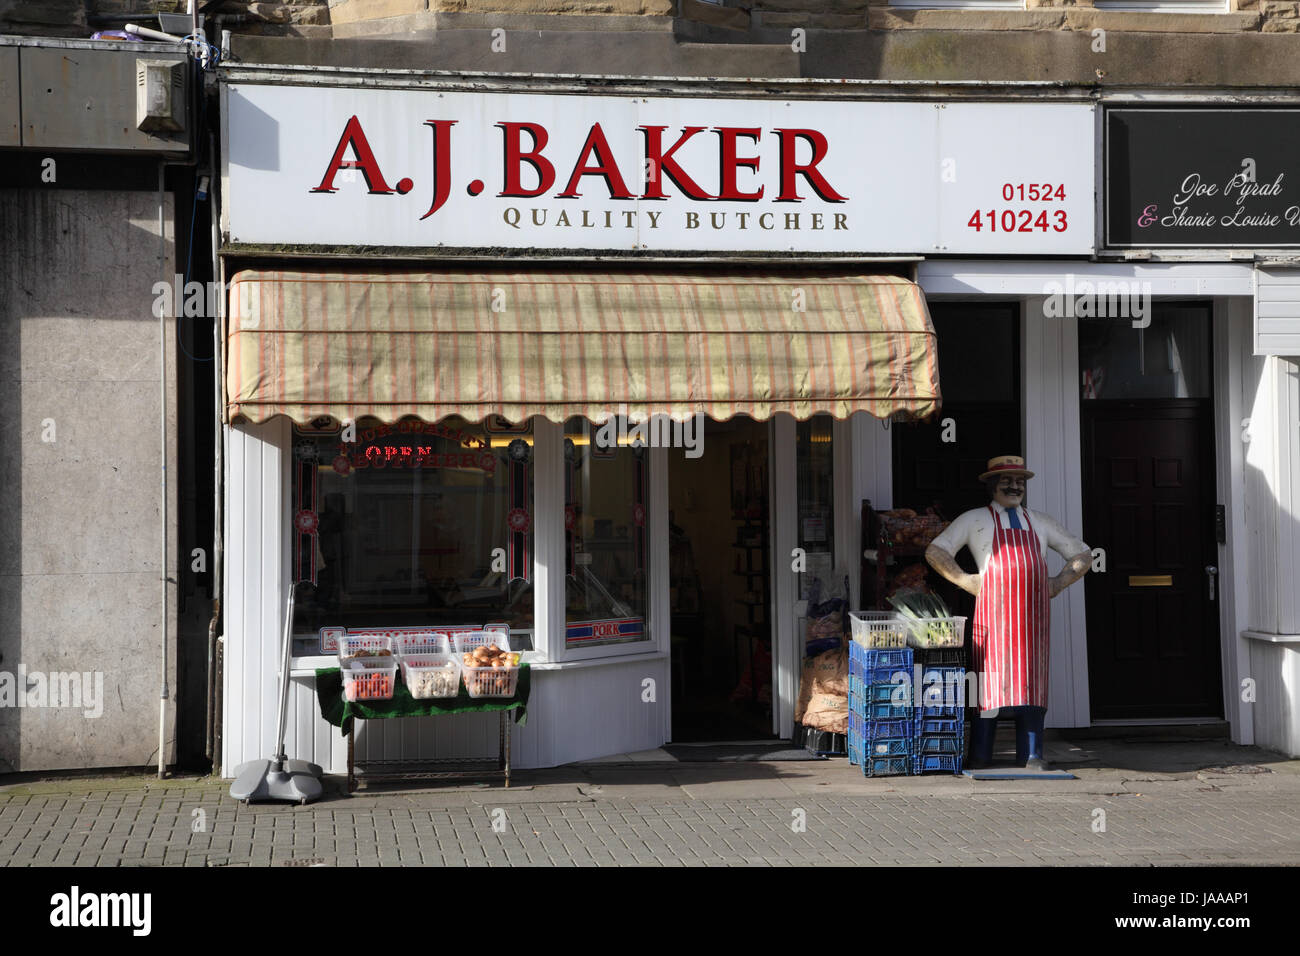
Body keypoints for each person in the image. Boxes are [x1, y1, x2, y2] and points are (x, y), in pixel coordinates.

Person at [924, 455, 1091, 770]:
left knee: (1032, 682)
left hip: (1033, 620)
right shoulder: (974, 519)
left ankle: (1032, 754)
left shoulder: (1041, 522)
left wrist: (1059, 582)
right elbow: (936, 550)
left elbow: (1082, 554)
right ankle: (981, 754)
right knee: (988, 683)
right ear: (991, 485)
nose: (1014, 486)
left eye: (1020, 481)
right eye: (1007, 480)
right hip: (993, 618)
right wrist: (962, 579)